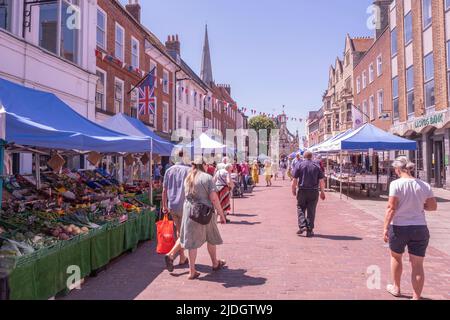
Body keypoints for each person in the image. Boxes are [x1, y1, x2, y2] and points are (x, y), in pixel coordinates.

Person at [384, 156, 437, 300]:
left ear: (398, 169)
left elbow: (391, 208)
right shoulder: (424, 185)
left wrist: (385, 227)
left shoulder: (396, 184)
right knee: (418, 264)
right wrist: (419, 205)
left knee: (396, 257)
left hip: (399, 227)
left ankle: (396, 287)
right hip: (419, 227)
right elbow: (433, 207)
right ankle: (416, 296)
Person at [180, 159, 227, 280]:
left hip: (190, 212)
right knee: (211, 237)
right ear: (204, 165)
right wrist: (221, 214)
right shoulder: (207, 177)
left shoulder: (188, 177)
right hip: (205, 212)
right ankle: (215, 263)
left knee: (191, 242)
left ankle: (192, 271)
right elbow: (214, 198)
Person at [162, 151, 190, 271]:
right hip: (184, 205)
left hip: (172, 205)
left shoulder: (169, 170)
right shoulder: (188, 171)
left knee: (179, 231)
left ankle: (182, 257)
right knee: (185, 233)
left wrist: (164, 205)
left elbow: (164, 190)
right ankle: (171, 255)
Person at [292, 151, 326, 238]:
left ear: (304, 156)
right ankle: (309, 230)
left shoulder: (299, 165)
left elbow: (295, 179)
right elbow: (321, 181)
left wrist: (293, 189)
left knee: (300, 207)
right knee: (311, 210)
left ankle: (303, 225)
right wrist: (322, 192)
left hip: (302, 190)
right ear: (312, 157)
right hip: (313, 191)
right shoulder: (317, 166)